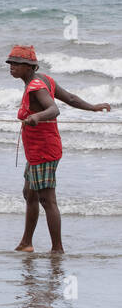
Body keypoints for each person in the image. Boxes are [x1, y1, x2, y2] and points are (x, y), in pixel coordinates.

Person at [6, 45, 112, 253]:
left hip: (44, 150)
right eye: (10, 63)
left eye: (17, 64)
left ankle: (57, 249)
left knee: (47, 199)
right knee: (30, 194)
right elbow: (70, 98)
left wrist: (36, 116)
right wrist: (93, 107)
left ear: (29, 67)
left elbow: (54, 109)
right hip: (36, 150)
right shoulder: (44, 79)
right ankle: (26, 243)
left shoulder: (36, 86)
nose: (11, 67)